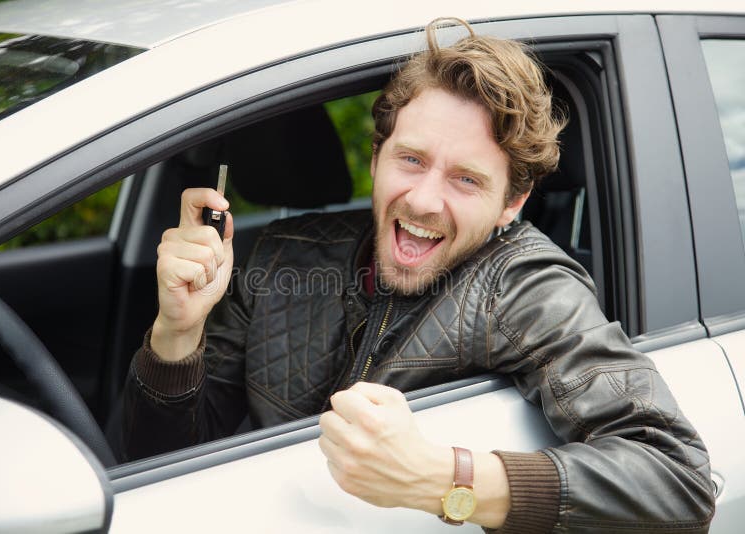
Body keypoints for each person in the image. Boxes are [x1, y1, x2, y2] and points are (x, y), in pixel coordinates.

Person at [121, 18, 715, 532]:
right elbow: (157, 470)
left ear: (513, 202)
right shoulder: (282, 257)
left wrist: (440, 479)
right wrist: (176, 332)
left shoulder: (527, 286)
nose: (425, 200)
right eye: (412, 160)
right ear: (377, 157)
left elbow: (679, 483)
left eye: (466, 178)